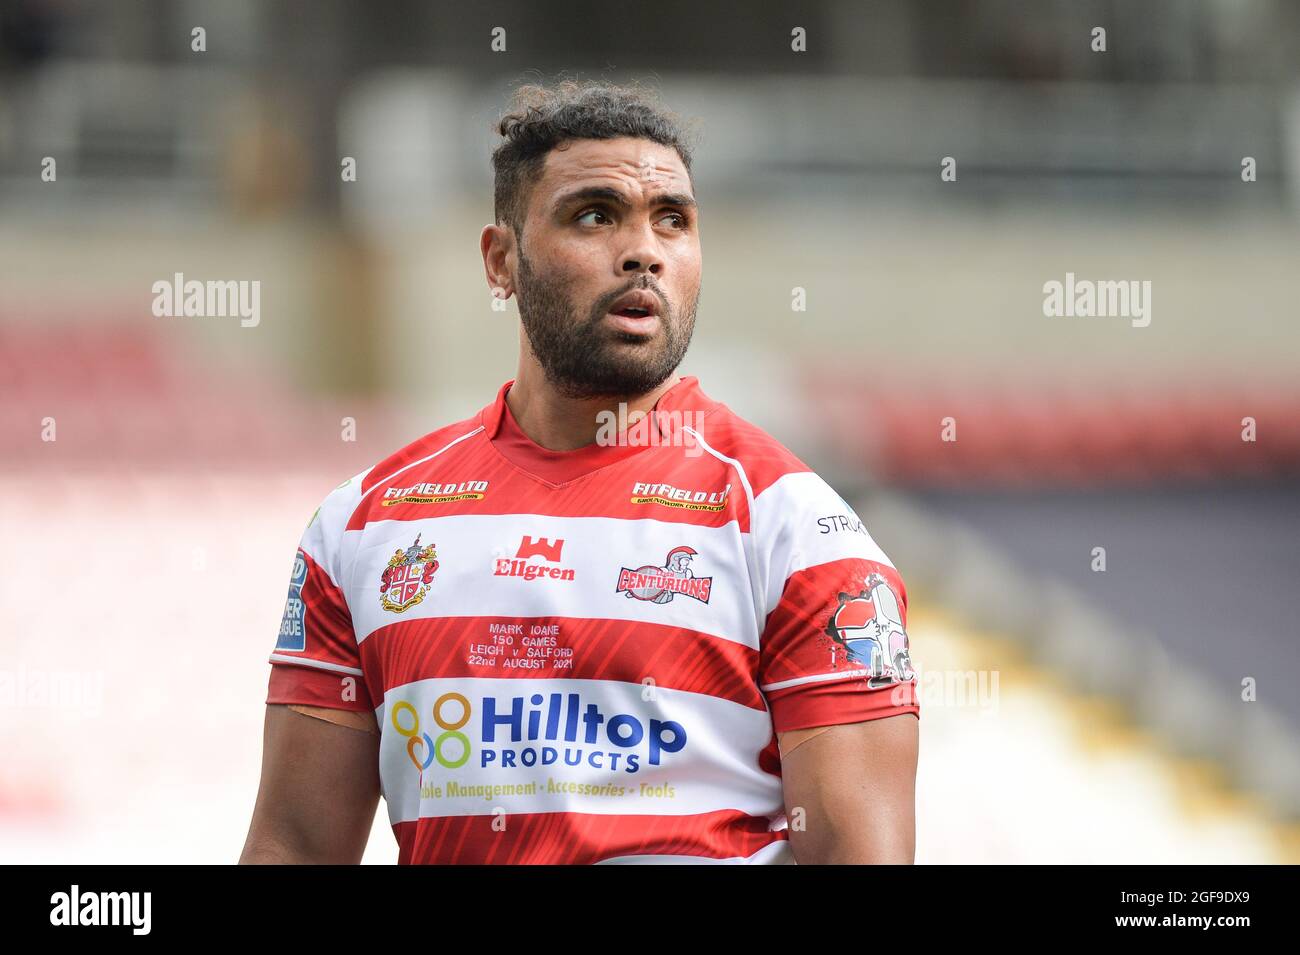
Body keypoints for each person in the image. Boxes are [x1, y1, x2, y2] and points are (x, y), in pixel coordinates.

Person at [240, 79, 919, 865]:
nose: (645, 250)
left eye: (674, 220)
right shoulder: (362, 526)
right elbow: (293, 842)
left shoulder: (798, 531)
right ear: (502, 262)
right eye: (594, 214)